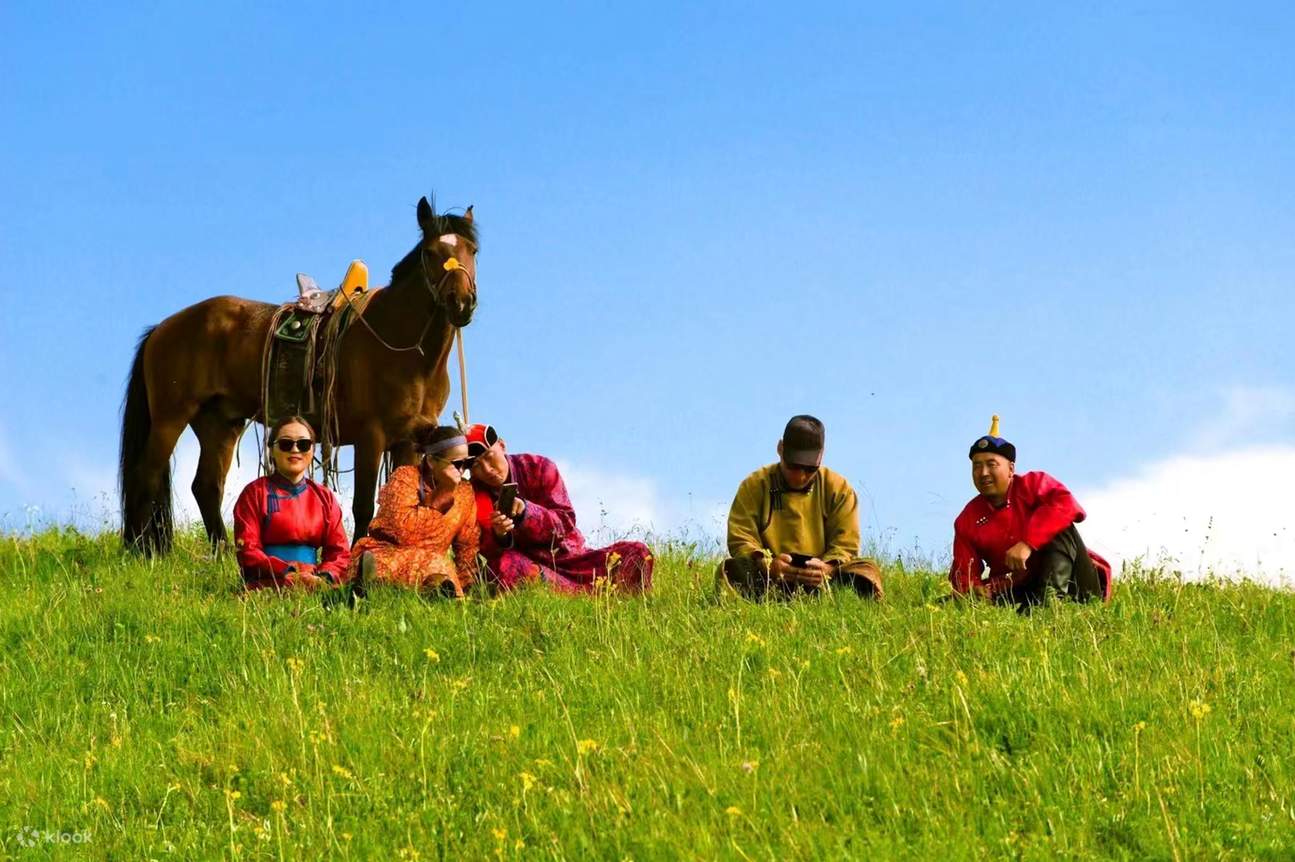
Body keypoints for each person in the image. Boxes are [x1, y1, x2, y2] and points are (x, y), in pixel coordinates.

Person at [465, 423, 653, 594]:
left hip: (573, 560)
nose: (487, 470)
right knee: (504, 566)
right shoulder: (473, 494)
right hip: (532, 566)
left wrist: (526, 513)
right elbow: (486, 551)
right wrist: (501, 536)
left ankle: (589, 594)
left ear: (502, 445)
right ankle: (583, 596)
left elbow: (565, 522)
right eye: (476, 465)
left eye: (489, 457)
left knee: (637, 553)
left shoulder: (538, 467)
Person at [950, 415, 1113, 608]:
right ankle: (1035, 609)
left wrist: (1028, 543)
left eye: (991, 464)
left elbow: (1068, 505)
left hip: (1079, 586)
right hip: (1022, 587)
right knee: (951, 602)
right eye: (977, 466)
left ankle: (1050, 606)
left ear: (1011, 469)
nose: (983, 472)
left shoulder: (1033, 485)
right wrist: (974, 590)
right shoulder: (967, 519)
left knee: (1060, 525)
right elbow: (964, 573)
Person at [717, 415, 883, 600]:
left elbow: (846, 544)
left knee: (867, 571)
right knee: (730, 569)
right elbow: (741, 537)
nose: (800, 476)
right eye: (793, 466)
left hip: (824, 578)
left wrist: (826, 569)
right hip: (769, 578)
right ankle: (768, 597)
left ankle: (830, 596)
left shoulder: (838, 489)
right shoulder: (756, 484)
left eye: (809, 469)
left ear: (821, 457)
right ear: (780, 449)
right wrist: (768, 565)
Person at [348, 425, 480, 597]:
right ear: (432, 461)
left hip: (436, 563)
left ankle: (433, 595)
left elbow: (467, 546)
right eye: (457, 464)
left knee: (439, 569)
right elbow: (404, 533)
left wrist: (469, 585)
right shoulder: (404, 478)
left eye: (467, 463)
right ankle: (370, 588)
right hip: (390, 552)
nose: (462, 471)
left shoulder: (464, 492)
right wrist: (443, 492)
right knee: (420, 565)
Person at [233, 416, 351, 590]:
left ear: (311, 450)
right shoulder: (254, 493)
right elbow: (248, 551)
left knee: (341, 588)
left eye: (303, 444)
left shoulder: (324, 497)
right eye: (286, 444)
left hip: (315, 580)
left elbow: (339, 553)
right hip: (269, 581)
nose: (295, 449)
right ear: (272, 450)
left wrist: (324, 577)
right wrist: (289, 572)